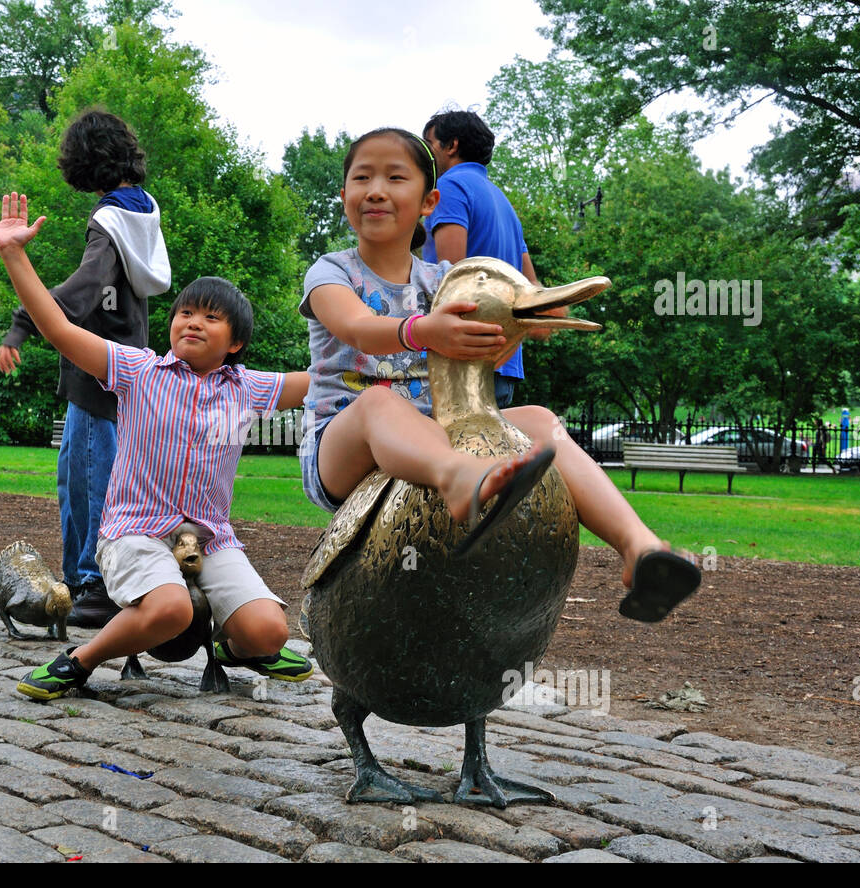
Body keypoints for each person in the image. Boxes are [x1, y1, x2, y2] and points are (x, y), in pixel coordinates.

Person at [300, 128, 700, 621]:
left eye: (395, 177)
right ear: (344, 196)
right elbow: (357, 328)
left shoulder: (443, 279)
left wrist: (517, 325)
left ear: (429, 201)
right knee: (381, 404)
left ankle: (640, 549)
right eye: (362, 177)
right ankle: (458, 477)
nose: (376, 189)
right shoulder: (331, 271)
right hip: (342, 445)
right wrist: (425, 331)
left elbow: (486, 338)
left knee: (536, 417)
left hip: (435, 431)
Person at [0, 193, 311, 699]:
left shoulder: (246, 386)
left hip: (210, 537)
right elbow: (59, 327)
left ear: (235, 342)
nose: (192, 322)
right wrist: (14, 254)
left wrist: (394, 349)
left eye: (210, 317)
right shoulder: (138, 370)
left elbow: (324, 382)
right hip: (134, 532)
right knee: (170, 609)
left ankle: (232, 645)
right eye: (185, 312)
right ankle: (79, 660)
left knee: (269, 633)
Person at [0, 110, 171, 631]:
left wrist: (21, 323)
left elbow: (83, 289)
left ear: (86, 159)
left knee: (91, 482)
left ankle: (97, 585)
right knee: (81, 478)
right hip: (119, 368)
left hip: (98, 374)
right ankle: (80, 581)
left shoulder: (110, 219)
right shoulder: (142, 211)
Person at [421, 109, 562, 409]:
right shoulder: (502, 202)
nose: (424, 154)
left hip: (461, 363)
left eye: (429, 144)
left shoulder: (449, 187)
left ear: (451, 146)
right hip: (504, 364)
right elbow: (532, 286)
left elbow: (451, 278)